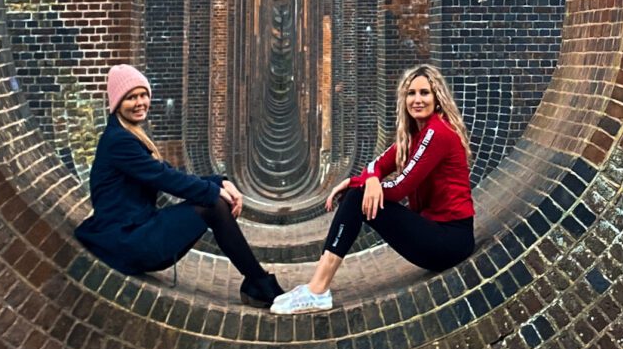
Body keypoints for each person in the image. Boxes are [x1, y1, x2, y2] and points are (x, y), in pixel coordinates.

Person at [73, 63, 285, 308]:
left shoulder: (129, 134)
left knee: (213, 200)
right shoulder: (120, 141)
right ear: (117, 103)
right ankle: (258, 283)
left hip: (134, 231)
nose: (140, 102)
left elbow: (167, 173)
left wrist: (220, 181)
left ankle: (257, 282)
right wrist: (214, 190)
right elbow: (166, 180)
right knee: (213, 204)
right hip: (125, 241)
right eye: (131, 97)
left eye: (143, 95)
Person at [271, 63, 474, 313]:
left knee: (357, 197)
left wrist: (360, 184)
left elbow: (400, 188)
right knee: (359, 192)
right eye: (411, 93)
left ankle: (318, 290)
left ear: (438, 98)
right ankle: (316, 285)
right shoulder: (413, 136)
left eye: (425, 93)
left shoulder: (437, 133)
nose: (417, 99)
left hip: (450, 240)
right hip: (433, 233)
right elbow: (375, 165)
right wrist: (365, 180)